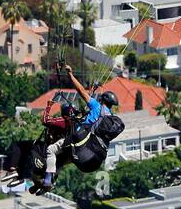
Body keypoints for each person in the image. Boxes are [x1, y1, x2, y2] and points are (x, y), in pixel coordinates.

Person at [33, 65, 119, 193]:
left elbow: (80, 90)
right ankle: (50, 181)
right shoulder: (109, 117)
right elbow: (89, 115)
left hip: (82, 143)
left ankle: (47, 180)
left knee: (51, 150)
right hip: (95, 159)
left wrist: (70, 74)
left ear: (101, 100)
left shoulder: (96, 106)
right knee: (64, 158)